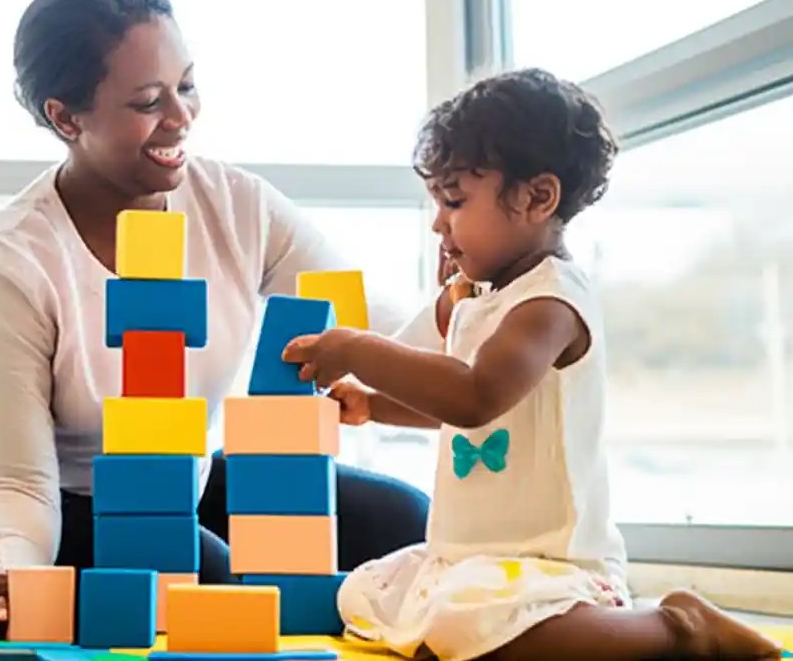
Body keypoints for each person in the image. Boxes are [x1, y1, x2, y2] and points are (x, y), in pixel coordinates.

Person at [0, 0, 432, 646]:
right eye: (149, 101)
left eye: (186, 86)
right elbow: (18, 481)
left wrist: (471, 312)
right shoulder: (10, 260)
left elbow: (370, 321)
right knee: (223, 589)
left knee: (402, 520)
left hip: (171, 480)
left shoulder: (237, 205)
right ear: (66, 117)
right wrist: (19, 584)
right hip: (2, 505)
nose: (181, 117)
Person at [282, 68, 783, 660]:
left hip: (544, 563)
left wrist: (357, 350)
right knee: (370, 598)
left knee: (481, 627)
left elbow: (473, 398)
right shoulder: (479, 296)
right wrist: (375, 405)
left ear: (537, 197)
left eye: (455, 201)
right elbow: (451, 405)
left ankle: (677, 629)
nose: (439, 222)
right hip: (469, 557)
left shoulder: (550, 303)